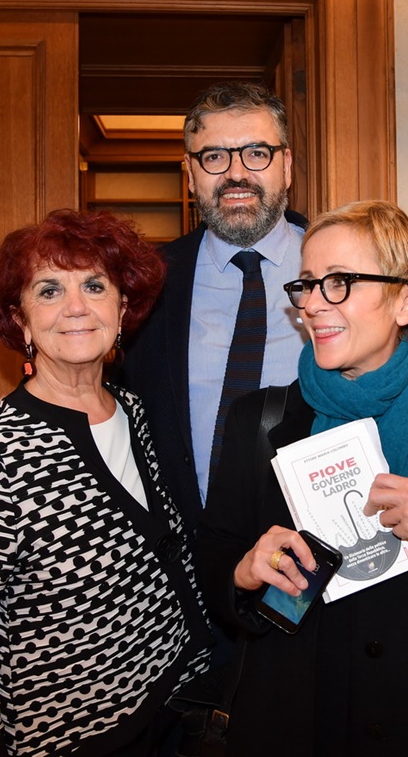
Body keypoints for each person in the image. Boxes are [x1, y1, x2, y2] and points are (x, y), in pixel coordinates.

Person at [196, 200, 408, 756]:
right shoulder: (258, 420)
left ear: (407, 299)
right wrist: (243, 570)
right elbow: (213, 556)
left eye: (339, 283)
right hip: (289, 725)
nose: (312, 305)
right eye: (307, 284)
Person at [0, 209, 212, 757]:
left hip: (175, 700)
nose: (77, 307)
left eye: (93, 285)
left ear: (123, 306)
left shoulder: (132, 410)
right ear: (20, 320)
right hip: (74, 732)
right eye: (49, 290)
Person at [122, 81, 309, 533]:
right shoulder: (146, 282)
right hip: (185, 553)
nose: (236, 174)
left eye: (256, 153)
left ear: (286, 166)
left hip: (316, 545)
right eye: (214, 157)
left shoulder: (343, 272)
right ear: (190, 173)